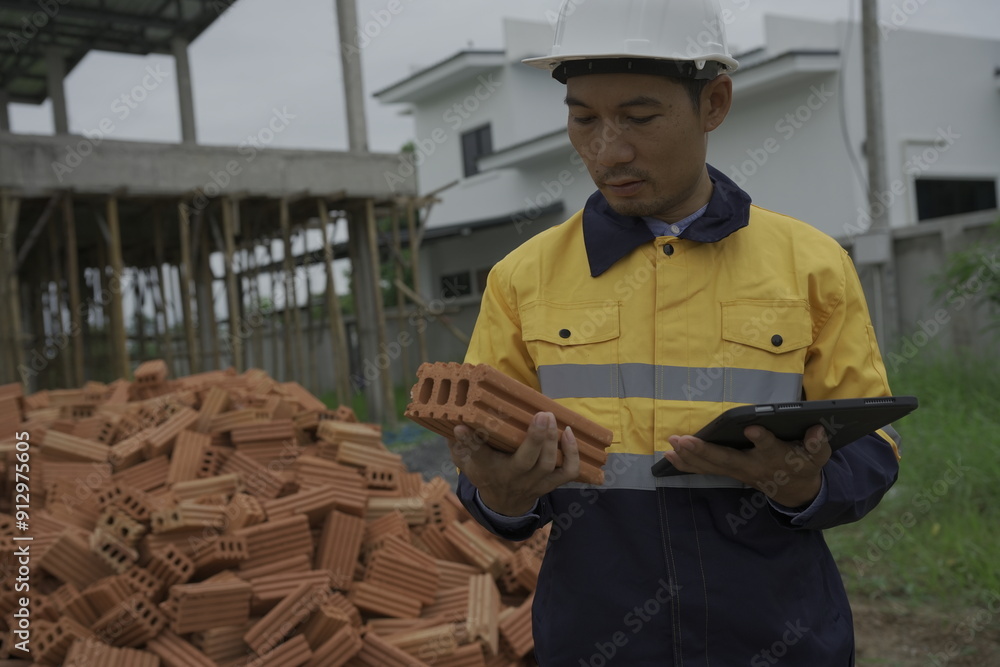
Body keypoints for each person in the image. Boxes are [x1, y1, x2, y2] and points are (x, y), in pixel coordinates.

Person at [447, 0, 901, 664]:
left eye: (639, 117)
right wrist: (499, 493)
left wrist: (802, 483)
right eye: (583, 119)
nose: (609, 148)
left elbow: (874, 449)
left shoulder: (811, 266)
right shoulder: (522, 279)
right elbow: (486, 466)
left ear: (713, 103)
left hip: (781, 639)